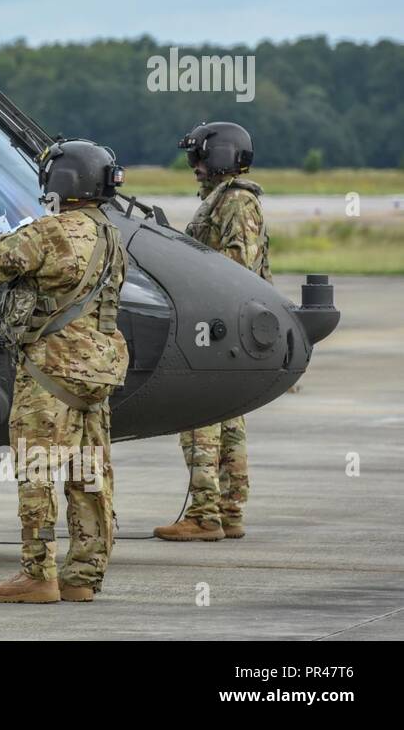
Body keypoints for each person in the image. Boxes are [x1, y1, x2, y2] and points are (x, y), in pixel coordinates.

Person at [0, 139, 129, 603]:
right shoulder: (110, 236)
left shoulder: (49, 232)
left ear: (62, 181)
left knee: (37, 468)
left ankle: (38, 574)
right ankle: (83, 576)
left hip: (49, 374)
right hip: (96, 376)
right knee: (89, 473)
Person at [155, 121, 269, 543]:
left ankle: (206, 514)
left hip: (218, 329)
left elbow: (234, 272)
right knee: (227, 418)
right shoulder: (225, 201)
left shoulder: (236, 204)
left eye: (199, 157)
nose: (195, 166)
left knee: (200, 416)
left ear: (219, 156)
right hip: (229, 329)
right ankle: (228, 511)